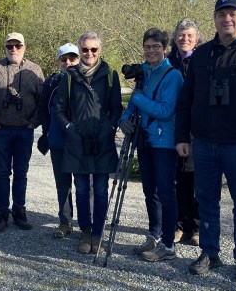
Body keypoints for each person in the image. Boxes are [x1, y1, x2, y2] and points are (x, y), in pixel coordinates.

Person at [174, 0, 236, 282]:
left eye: (233, 14)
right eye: (221, 14)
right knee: (206, 201)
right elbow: (186, 100)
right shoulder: (202, 55)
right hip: (204, 143)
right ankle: (209, 252)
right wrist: (183, 136)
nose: (227, 19)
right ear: (215, 19)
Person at [54, 32, 122, 255]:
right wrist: (70, 130)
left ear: (99, 50)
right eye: (85, 49)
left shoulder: (110, 75)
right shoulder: (70, 77)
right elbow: (59, 109)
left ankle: (98, 233)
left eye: (93, 49)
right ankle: (85, 231)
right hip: (77, 142)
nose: (89, 53)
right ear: (80, 50)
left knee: (101, 190)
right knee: (82, 189)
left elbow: (116, 109)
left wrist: (108, 129)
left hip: (102, 142)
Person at [120, 28, 183, 261]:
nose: (151, 50)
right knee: (150, 191)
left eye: (156, 46)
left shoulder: (173, 76)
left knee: (166, 192)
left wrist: (137, 98)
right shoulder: (144, 72)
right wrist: (124, 119)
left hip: (164, 142)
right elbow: (133, 106)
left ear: (165, 49)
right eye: (147, 46)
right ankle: (153, 236)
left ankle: (168, 245)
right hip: (145, 139)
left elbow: (166, 111)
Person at [0, 32, 45, 232]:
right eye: (10, 46)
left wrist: (33, 124)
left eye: (17, 46)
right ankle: (1, 214)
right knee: (2, 173)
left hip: (24, 132)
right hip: (1, 130)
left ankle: (19, 211)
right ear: (5, 48)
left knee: (21, 173)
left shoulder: (34, 70)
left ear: (24, 47)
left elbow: (44, 101)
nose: (14, 50)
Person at [38, 43, 80, 238]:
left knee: (83, 184)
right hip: (57, 141)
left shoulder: (87, 81)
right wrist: (45, 135)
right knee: (62, 184)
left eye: (72, 58)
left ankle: (88, 225)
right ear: (59, 62)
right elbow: (44, 111)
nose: (68, 62)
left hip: (81, 142)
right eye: (64, 59)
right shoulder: (51, 83)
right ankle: (65, 222)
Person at [167, 19, 204, 246]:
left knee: (199, 179)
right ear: (174, 38)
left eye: (189, 35)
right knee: (180, 179)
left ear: (197, 39)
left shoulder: (203, 61)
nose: (185, 39)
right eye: (181, 35)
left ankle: (198, 226)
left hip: (198, 128)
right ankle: (181, 224)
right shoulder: (168, 62)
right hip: (174, 127)